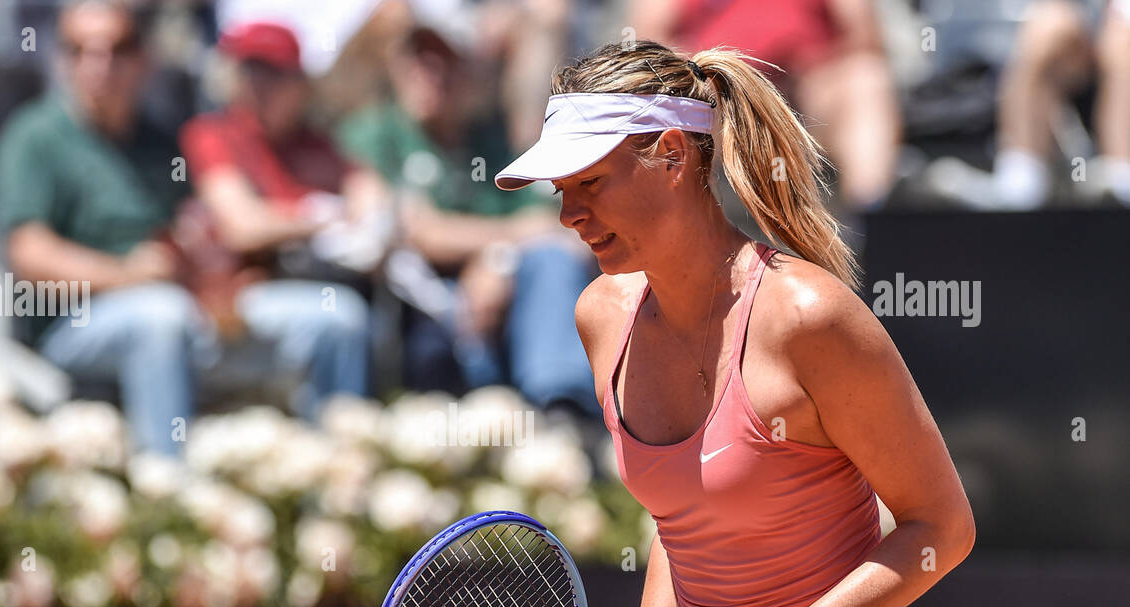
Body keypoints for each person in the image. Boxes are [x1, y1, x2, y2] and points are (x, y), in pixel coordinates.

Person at [502, 40, 1037, 607]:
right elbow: (683, 528)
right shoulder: (601, 317)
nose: (570, 213)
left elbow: (942, 527)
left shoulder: (807, 316)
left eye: (591, 182)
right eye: (562, 189)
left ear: (672, 155)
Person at [338, 23, 599, 416]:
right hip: (416, 298)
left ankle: (562, 411)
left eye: (445, 62)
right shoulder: (375, 133)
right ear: (397, 68)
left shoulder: (491, 141)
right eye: (418, 60)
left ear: (470, 72)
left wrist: (499, 261)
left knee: (553, 262)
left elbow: (562, 228)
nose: (430, 74)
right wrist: (505, 242)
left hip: (503, 298)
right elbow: (417, 231)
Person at [0, 0, 196, 455]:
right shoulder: (35, 136)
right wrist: (129, 275)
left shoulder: (162, 142)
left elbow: (186, 230)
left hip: (181, 304)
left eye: (117, 49)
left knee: (330, 320)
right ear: (62, 59)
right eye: (80, 49)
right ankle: (169, 493)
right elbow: (29, 256)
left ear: (144, 58)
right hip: (69, 326)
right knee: (160, 319)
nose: (99, 64)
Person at [178, 20, 380, 420]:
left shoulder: (314, 142)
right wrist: (320, 216)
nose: (258, 83)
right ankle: (342, 450)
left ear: (299, 83)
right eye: (249, 69)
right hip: (237, 294)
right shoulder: (214, 133)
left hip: (308, 283)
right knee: (341, 319)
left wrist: (351, 215)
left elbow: (372, 198)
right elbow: (242, 227)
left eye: (273, 72)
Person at [631, 0, 902, 210]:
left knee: (866, 80)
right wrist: (717, 70)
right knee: (677, 94)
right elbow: (649, 44)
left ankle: (871, 220)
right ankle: (674, 232)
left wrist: (809, 60)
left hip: (809, 87)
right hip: (717, 87)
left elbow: (866, 39)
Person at [925, 0, 1130, 209]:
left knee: (1123, 33)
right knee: (1048, 27)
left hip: (1108, 25)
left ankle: (1122, 179)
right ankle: (1021, 186)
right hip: (1062, 30)